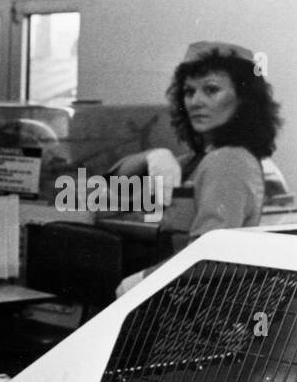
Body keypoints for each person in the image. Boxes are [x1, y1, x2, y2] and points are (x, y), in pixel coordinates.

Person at [114, 42, 282, 295]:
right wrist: (153, 155)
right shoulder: (201, 159)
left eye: (211, 90)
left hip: (197, 305)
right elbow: (105, 190)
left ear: (244, 98)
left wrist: (139, 283)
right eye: (189, 91)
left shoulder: (229, 160)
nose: (195, 101)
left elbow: (209, 254)